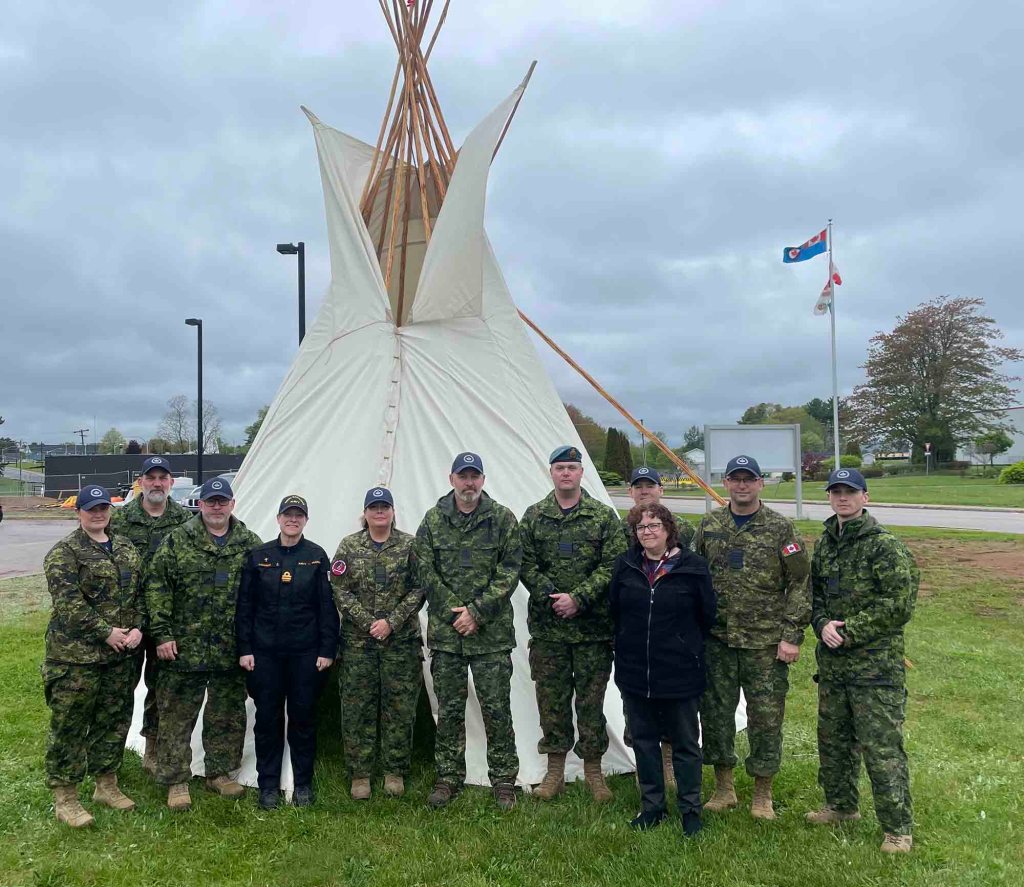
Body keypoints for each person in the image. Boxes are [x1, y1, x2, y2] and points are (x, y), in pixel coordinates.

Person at [807, 468, 918, 854]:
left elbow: (898, 604)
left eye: (850, 492)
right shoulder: (825, 543)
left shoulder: (884, 546)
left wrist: (849, 630)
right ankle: (840, 806)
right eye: (836, 492)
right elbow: (814, 594)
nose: (842, 498)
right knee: (834, 741)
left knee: (881, 748)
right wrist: (821, 623)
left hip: (874, 669)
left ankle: (898, 828)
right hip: (834, 666)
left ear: (865, 497)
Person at [694, 454, 810, 819]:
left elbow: (800, 582)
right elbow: (693, 575)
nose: (742, 485)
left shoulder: (780, 528)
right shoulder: (709, 524)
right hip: (717, 640)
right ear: (725, 483)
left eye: (749, 479)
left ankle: (763, 793)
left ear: (760, 483)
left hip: (765, 643)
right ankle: (724, 787)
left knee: (765, 718)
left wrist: (791, 634)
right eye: (735, 479)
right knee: (715, 716)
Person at [413, 452, 523, 811]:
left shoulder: (502, 519)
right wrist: (454, 613)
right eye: (463, 476)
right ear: (451, 479)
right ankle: (447, 777)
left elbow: (510, 570)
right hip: (448, 636)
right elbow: (424, 570)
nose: (469, 483)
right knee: (449, 710)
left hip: (490, 636)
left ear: (483, 480)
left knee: (497, 709)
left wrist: (476, 612)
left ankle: (504, 779)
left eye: (475, 476)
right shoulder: (433, 520)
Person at [145, 476, 262, 811]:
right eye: (210, 501)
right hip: (184, 648)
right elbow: (157, 587)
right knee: (177, 716)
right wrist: (163, 634)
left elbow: (260, 596)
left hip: (229, 647)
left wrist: (251, 643)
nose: (216, 507)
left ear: (232, 504)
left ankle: (220, 773)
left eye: (222, 501)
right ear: (200, 504)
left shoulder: (248, 543)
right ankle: (176, 780)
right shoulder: (178, 540)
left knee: (227, 714)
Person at [519, 445, 625, 802]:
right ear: (551, 473)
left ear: (582, 473)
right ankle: (555, 772)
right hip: (549, 631)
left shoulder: (602, 517)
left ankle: (594, 771)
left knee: (591, 704)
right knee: (551, 702)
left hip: (592, 630)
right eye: (560, 467)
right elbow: (524, 563)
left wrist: (579, 598)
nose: (566, 473)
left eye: (572, 468)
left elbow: (612, 564)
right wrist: (553, 595)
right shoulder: (534, 516)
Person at [608, 503, 715, 837]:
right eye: (641, 528)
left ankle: (690, 810)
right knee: (643, 741)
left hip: (680, 672)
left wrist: (684, 644)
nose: (648, 532)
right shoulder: (625, 566)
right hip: (636, 671)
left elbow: (707, 614)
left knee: (685, 744)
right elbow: (615, 611)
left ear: (669, 529)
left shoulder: (693, 567)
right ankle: (652, 806)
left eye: (654, 525)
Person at [41, 485, 144, 827]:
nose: (98, 514)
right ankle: (65, 797)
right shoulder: (64, 553)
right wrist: (107, 632)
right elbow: (69, 603)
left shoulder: (126, 548)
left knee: (113, 722)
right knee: (69, 726)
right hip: (75, 659)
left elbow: (139, 594)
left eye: (103, 508)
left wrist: (138, 628)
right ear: (78, 512)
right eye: (91, 509)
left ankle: (106, 784)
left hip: (119, 658)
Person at [236, 495, 339, 810]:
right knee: (267, 719)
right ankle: (267, 785)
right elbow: (245, 608)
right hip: (265, 654)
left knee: (303, 718)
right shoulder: (258, 556)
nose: (292, 520)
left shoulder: (317, 556)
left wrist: (327, 649)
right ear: (278, 518)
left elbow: (326, 608)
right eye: (287, 515)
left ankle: (303, 784)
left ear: (305, 520)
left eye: (298, 515)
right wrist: (245, 649)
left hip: (305, 655)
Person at [331, 487, 424, 801]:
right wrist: (368, 621)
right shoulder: (349, 545)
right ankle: (360, 774)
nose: (380, 512)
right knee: (357, 708)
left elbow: (419, 588)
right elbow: (339, 588)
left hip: (401, 643)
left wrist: (392, 621)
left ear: (393, 511)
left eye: (385, 507)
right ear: (366, 513)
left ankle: (394, 771)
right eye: (374, 507)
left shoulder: (411, 545)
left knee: (399, 708)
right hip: (359, 643)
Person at [108, 455, 190, 774]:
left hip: (165, 619)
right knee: (120, 686)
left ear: (171, 482)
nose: (157, 483)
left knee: (160, 686)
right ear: (140, 482)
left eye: (163, 477)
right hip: (127, 620)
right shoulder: (121, 518)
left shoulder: (185, 520)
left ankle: (152, 749)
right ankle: (109, 756)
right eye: (151, 477)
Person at [624, 465, 694, 788]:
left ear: (660, 490)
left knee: (671, 702)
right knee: (636, 705)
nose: (644, 491)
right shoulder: (618, 530)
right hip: (634, 635)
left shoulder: (686, 531)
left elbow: (697, 582)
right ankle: (645, 766)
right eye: (638, 486)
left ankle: (668, 762)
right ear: (631, 492)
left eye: (649, 485)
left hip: (672, 636)